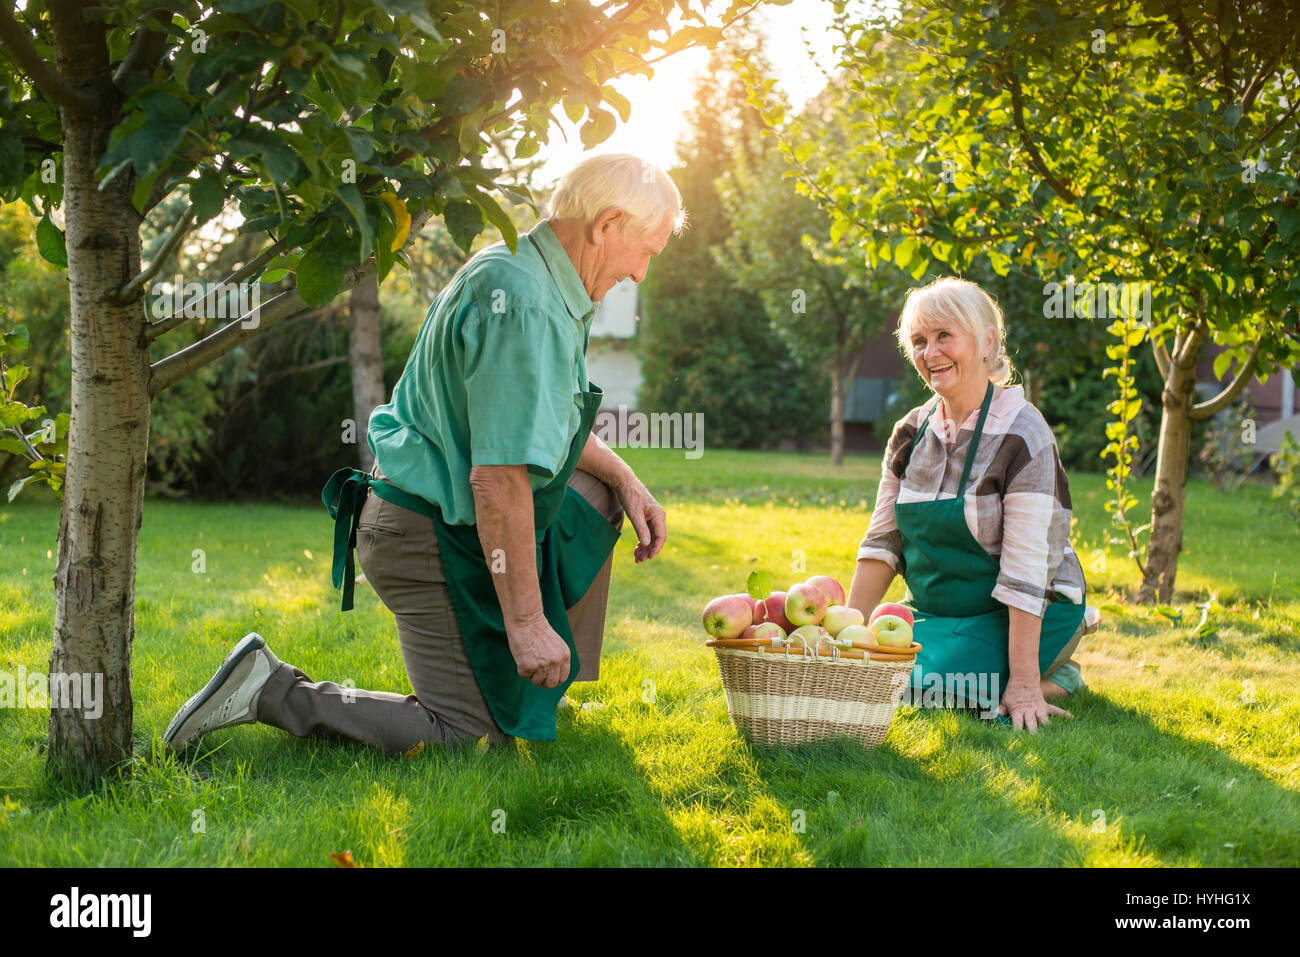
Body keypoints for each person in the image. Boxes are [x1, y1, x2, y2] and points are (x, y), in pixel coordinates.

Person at [164, 154, 683, 755]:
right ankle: (269, 689)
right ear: (607, 224)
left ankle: (544, 683)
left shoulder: (543, 278)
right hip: (422, 533)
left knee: (599, 496)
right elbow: (499, 478)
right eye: (645, 251)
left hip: (449, 516)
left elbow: (547, 423)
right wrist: (524, 623)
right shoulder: (524, 301)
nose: (642, 273)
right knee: (467, 739)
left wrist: (628, 479)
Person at [847, 276, 1101, 732]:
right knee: (876, 677)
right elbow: (883, 541)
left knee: (937, 690)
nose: (931, 353)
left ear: (986, 341)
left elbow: (1027, 569)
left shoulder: (1024, 433)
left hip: (1024, 609)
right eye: (920, 341)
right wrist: (842, 637)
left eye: (945, 335)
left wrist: (1022, 685)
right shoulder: (910, 432)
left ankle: (1052, 674)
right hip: (940, 611)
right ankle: (992, 672)